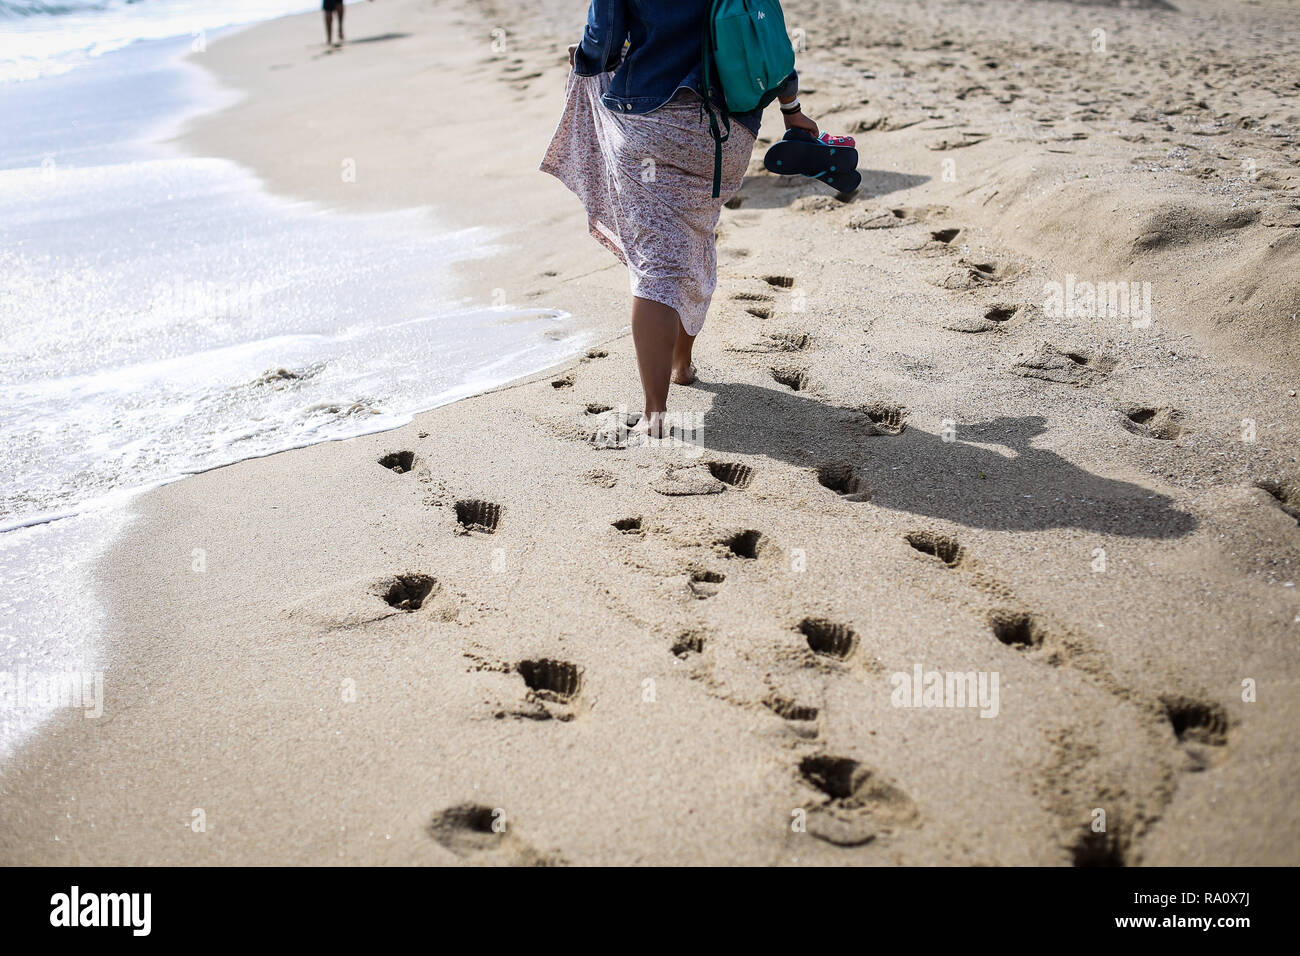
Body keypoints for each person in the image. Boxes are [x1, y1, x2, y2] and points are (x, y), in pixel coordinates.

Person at [540, 1, 818, 438]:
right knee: (693, 238)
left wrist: (587, 58)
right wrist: (791, 108)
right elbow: (767, 35)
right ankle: (681, 365)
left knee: (658, 263)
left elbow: (604, 42)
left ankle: (655, 411)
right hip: (728, 134)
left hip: (652, 125)